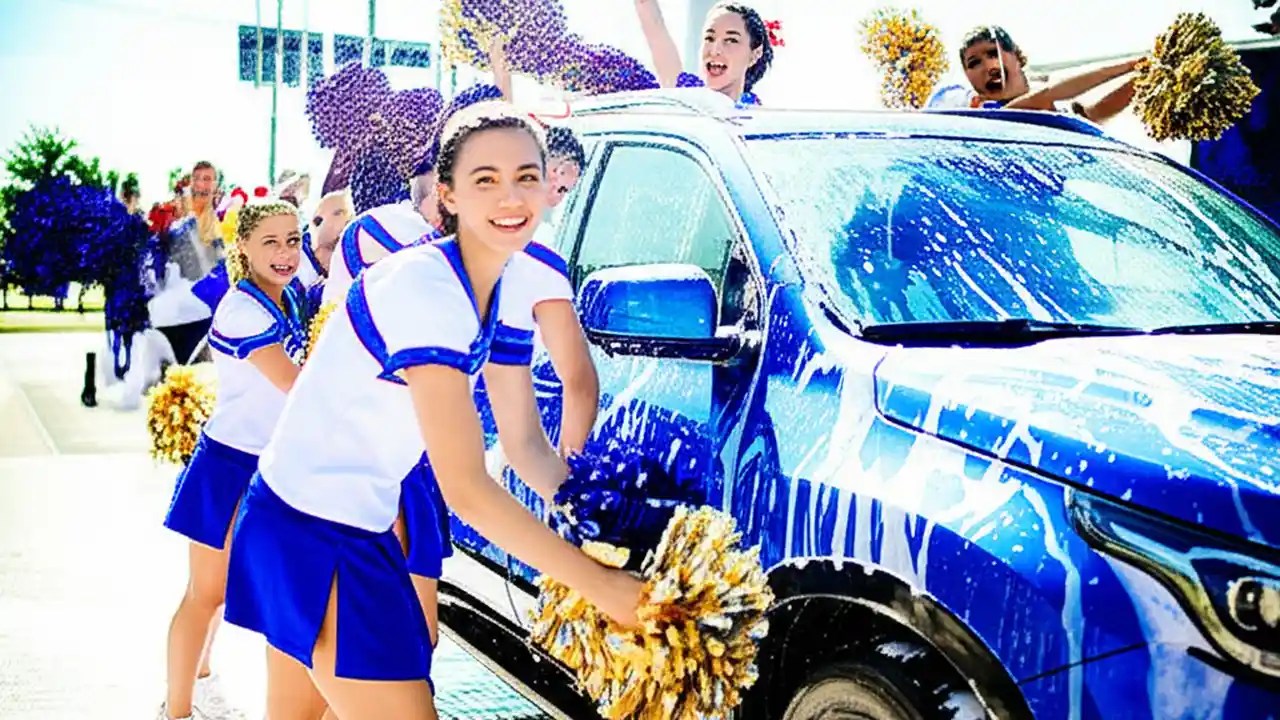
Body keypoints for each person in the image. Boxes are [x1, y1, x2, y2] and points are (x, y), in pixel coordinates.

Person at [222, 102, 639, 720]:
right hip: (309, 528)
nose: (511, 195)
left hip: (348, 524)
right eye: (485, 179)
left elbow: (524, 444)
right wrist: (604, 588)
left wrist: (603, 528)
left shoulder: (506, 285)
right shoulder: (425, 288)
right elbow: (465, 488)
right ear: (447, 193)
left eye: (526, 176)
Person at [157, 199, 308, 720]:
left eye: (293, 239)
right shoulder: (243, 309)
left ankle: (202, 681)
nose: (286, 252)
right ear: (242, 246)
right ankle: (176, 711)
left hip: (270, 466)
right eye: (271, 242)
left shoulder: (288, 298)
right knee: (207, 593)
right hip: (229, 468)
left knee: (228, 596)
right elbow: (296, 386)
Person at [929, 26, 1138, 123]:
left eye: (994, 54)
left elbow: (1098, 113)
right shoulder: (989, 117)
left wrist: (1147, 80)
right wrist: (1130, 66)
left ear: (1018, 57)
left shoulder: (1054, 112)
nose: (989, 66)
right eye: (974, 63)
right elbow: (1048, 94)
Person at [633, 0, 774, 104]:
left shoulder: (758, 119)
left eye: (731, 40)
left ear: (755, 54)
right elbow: (653, 23)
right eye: (709, 38)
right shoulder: (688, 100)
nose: (715, 50)